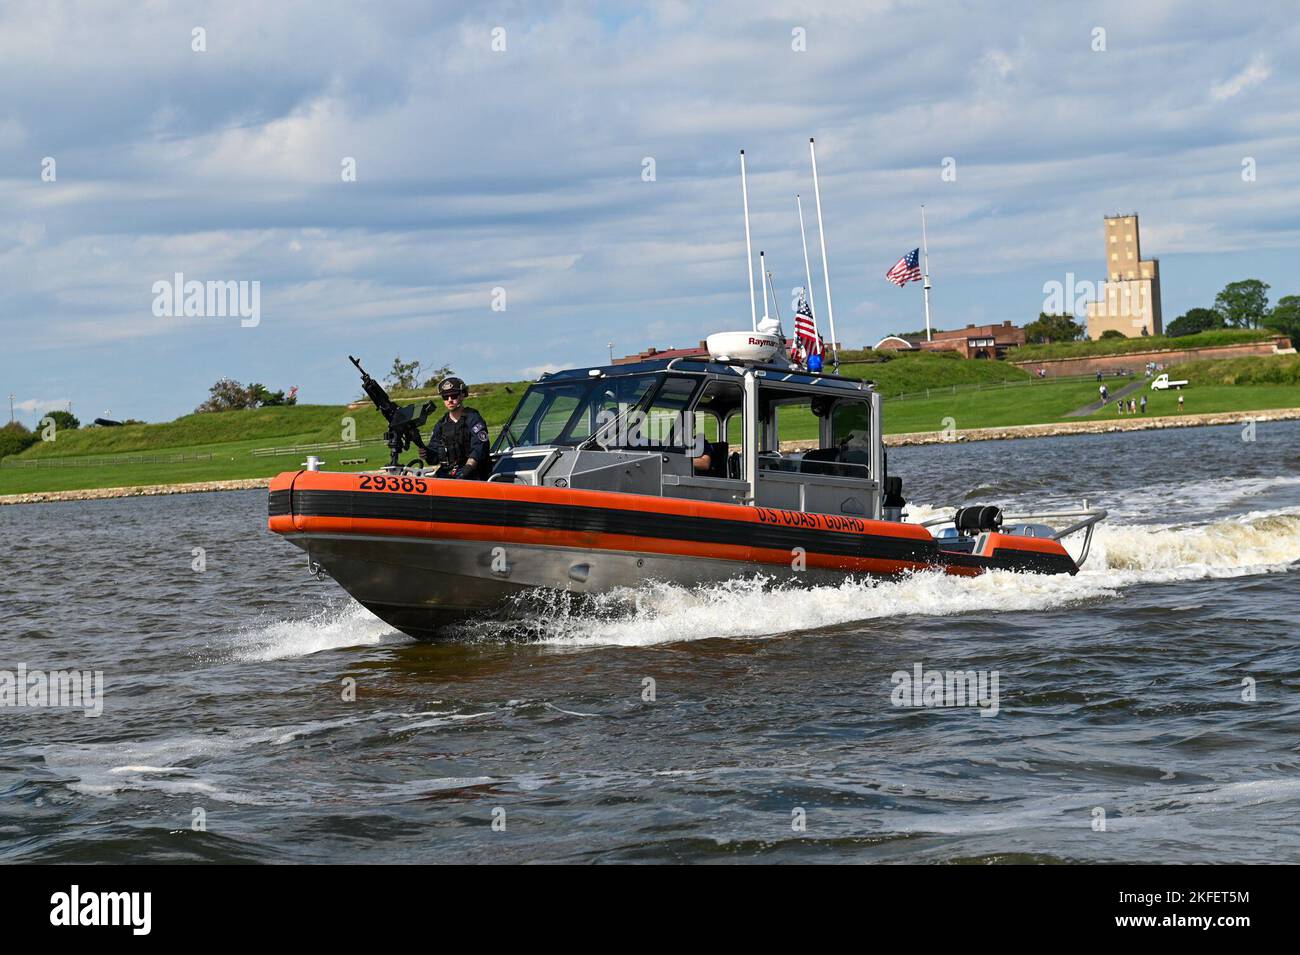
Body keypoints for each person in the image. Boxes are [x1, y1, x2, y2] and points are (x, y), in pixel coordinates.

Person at [423, 377, 491, 479]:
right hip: (447, 474)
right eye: (445, 397)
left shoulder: (473, 419)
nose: (450, 400)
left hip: (472, 474)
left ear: (462, 395)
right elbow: (434, 456)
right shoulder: (441, 424)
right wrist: (426, 453)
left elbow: (480, 447)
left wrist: (466, 469)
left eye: (454, 396)